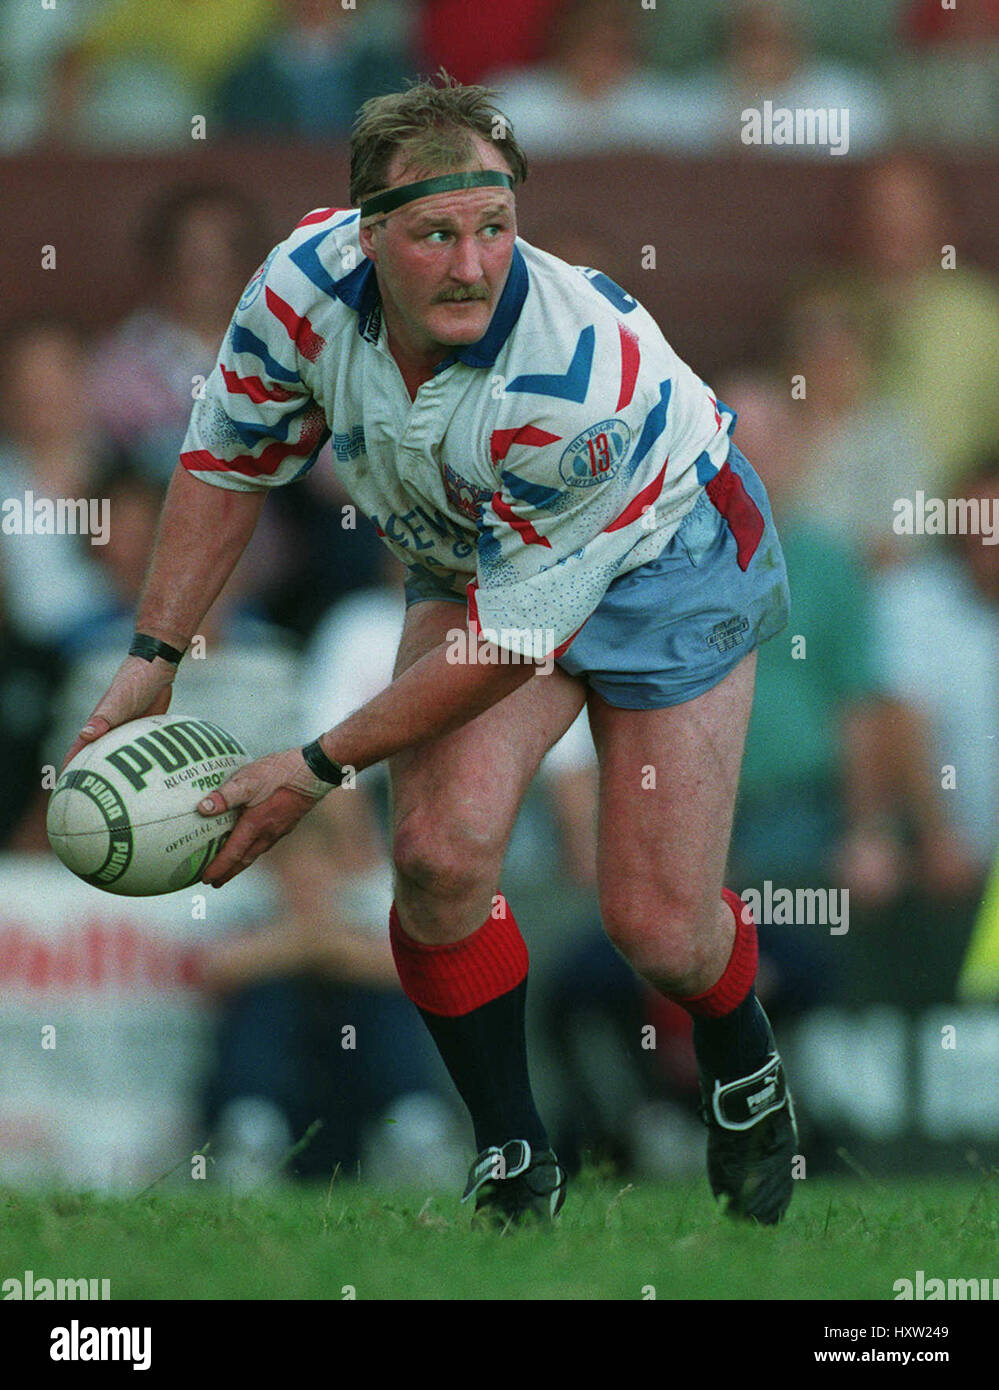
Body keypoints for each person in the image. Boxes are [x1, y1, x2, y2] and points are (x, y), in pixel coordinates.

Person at [62, 74, 795, 1226]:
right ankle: (514, 1159)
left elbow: (512, 644)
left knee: (658, 925)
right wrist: (154, 653)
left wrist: (310, 765)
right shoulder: (296, 288)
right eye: (437, 233)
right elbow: (225, 458)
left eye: (496, 229)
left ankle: (744, 1061)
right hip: (473, 552)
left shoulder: (569, 375)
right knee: (441, 858)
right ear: (366, 236)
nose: (471, 265)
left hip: (672, 555)